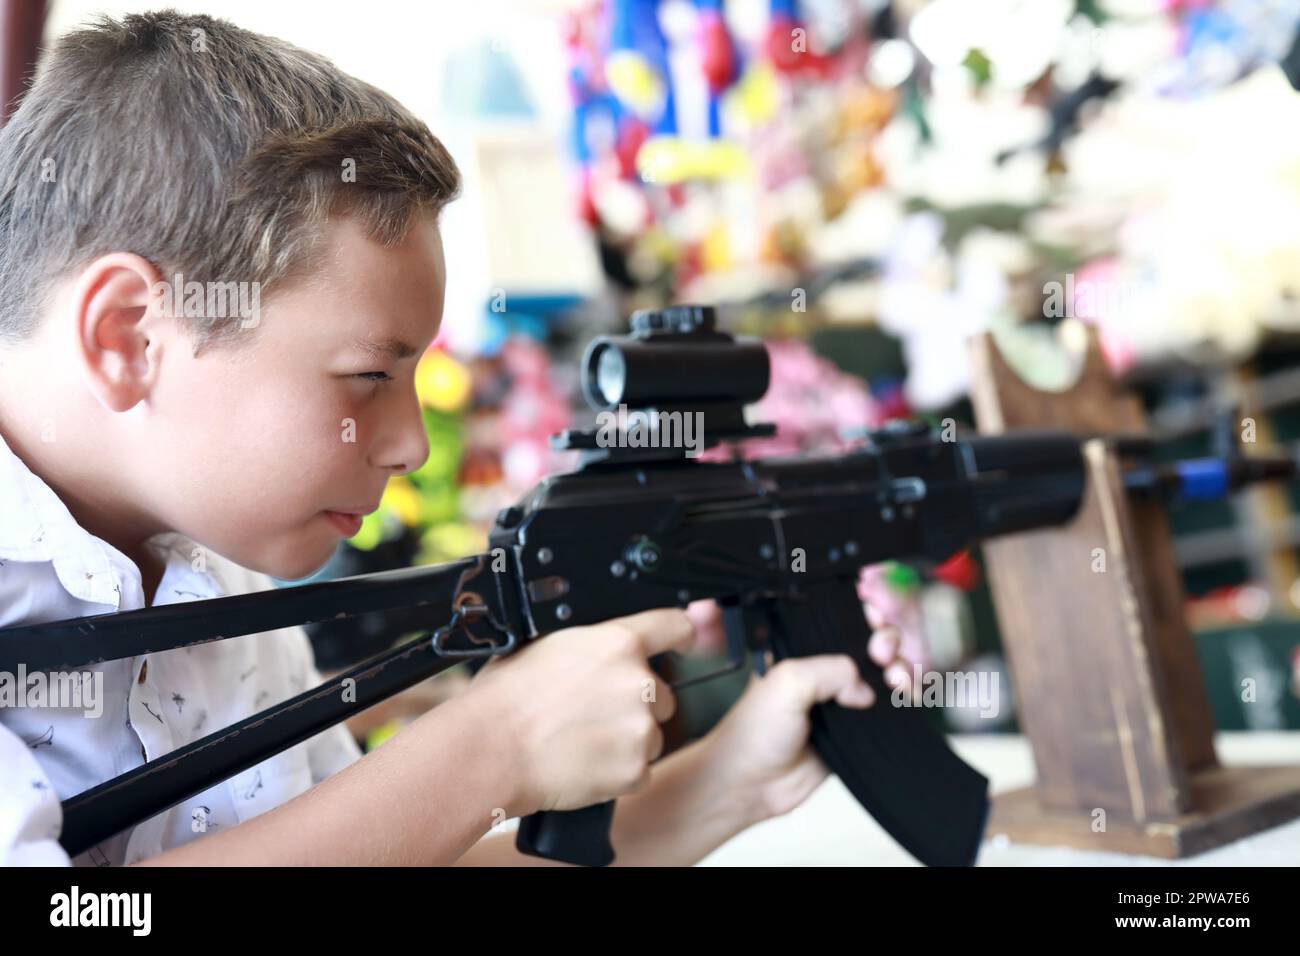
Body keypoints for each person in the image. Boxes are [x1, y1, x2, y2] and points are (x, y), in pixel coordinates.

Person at [0, 11, 913, 867]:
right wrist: (491, 747)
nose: (412, 447)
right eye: (367, 374)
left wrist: (727, 782)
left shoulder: (215, 577)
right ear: (129, 335)